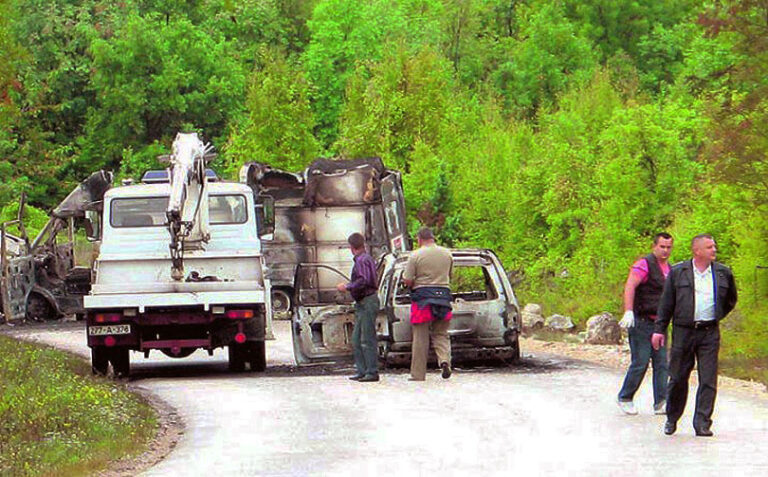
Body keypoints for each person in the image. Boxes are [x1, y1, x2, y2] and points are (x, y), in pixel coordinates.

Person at [652, 234, 738, 437]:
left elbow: (731, 300)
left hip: (709, 332)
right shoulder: (678, 272)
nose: (714, 250)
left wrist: (716, 315)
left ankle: (702, 422)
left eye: (714, 246)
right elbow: (666, 303)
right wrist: (659, 329)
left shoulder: (723, 273)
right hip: (684, 331)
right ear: (697, 251)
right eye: (709, 247)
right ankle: (672, 418)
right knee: (678, 377)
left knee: (708, 378)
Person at [617, 233, 673, 415]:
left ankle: (661, 402)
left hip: (660, 324)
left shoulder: (670, 269)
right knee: (640, 361)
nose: (665, 251)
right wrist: (628, 310)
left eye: (668, 247)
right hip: (641, 321)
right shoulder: (644, 264)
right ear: (654, 246)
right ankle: (625, 397)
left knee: (662, 363)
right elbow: (630, 286)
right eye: (662, 247)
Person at [403, 227, 453, 381]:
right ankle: (444, 361)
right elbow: (450, 275)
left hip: (423, 299)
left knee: (420, 337)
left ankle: (418, 374)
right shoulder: (447, 254)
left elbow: (408, 280)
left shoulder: (415, 255)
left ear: (419, 239)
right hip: (444, 297)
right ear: (433, 237)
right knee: (441, 334)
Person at [337, 233, 380, 383]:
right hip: (363, 302)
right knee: (357, 338)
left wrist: (347, 287)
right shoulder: (366, 259)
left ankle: (371, 371)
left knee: (367, 338)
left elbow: (364, 280)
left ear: (351, 247)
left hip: (367, 301)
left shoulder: (362, 260)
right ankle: (363, 370)